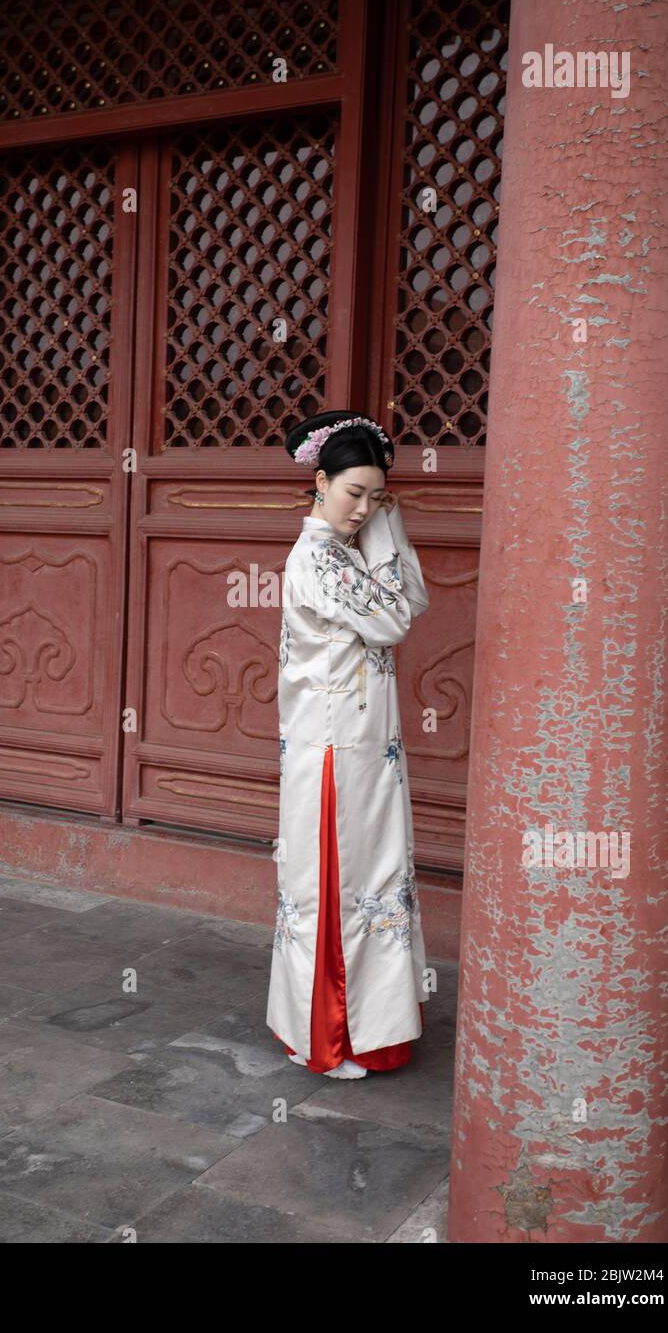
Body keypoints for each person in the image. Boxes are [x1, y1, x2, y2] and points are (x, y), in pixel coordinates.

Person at [267, 410, 431, 1080]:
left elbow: (412, 595)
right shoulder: (317, 558)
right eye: (353, 493)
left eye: (377, 497)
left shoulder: (349, 553)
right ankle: (327, 1038)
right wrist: (379, 534)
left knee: (374, 879)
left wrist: (386, 521)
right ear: (319, 482)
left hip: (366, 747)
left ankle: (372, 1030)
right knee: (337, 887)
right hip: (332, 751)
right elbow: (393, 620)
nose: (364, 509)